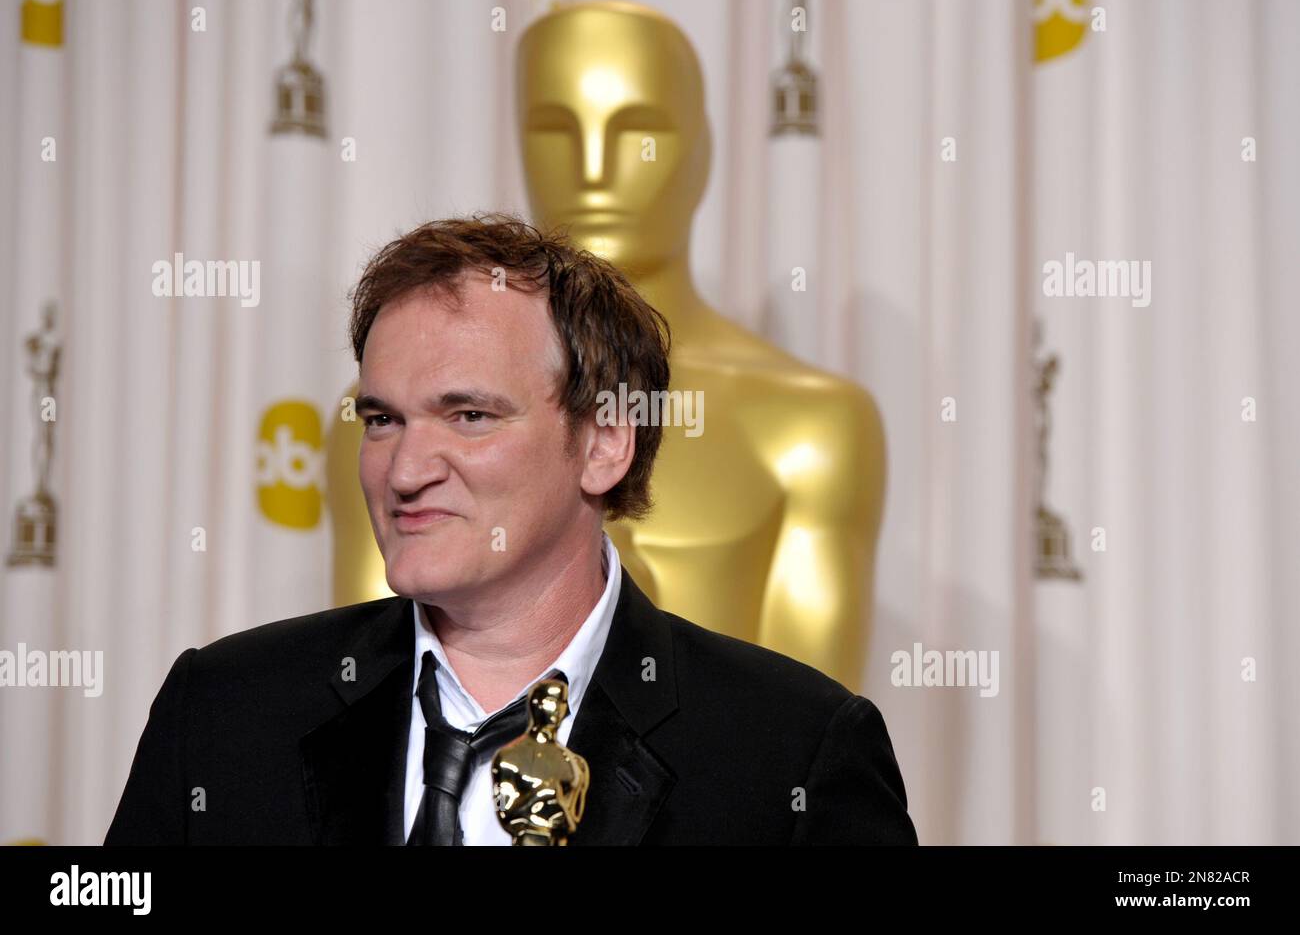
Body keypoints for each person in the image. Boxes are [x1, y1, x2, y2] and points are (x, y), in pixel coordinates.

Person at [104, 213, 917, 845]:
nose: (406, 468)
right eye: (382, 420)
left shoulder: (790, 753)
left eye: (468, 415)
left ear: (602, 442)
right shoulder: (223, 712)